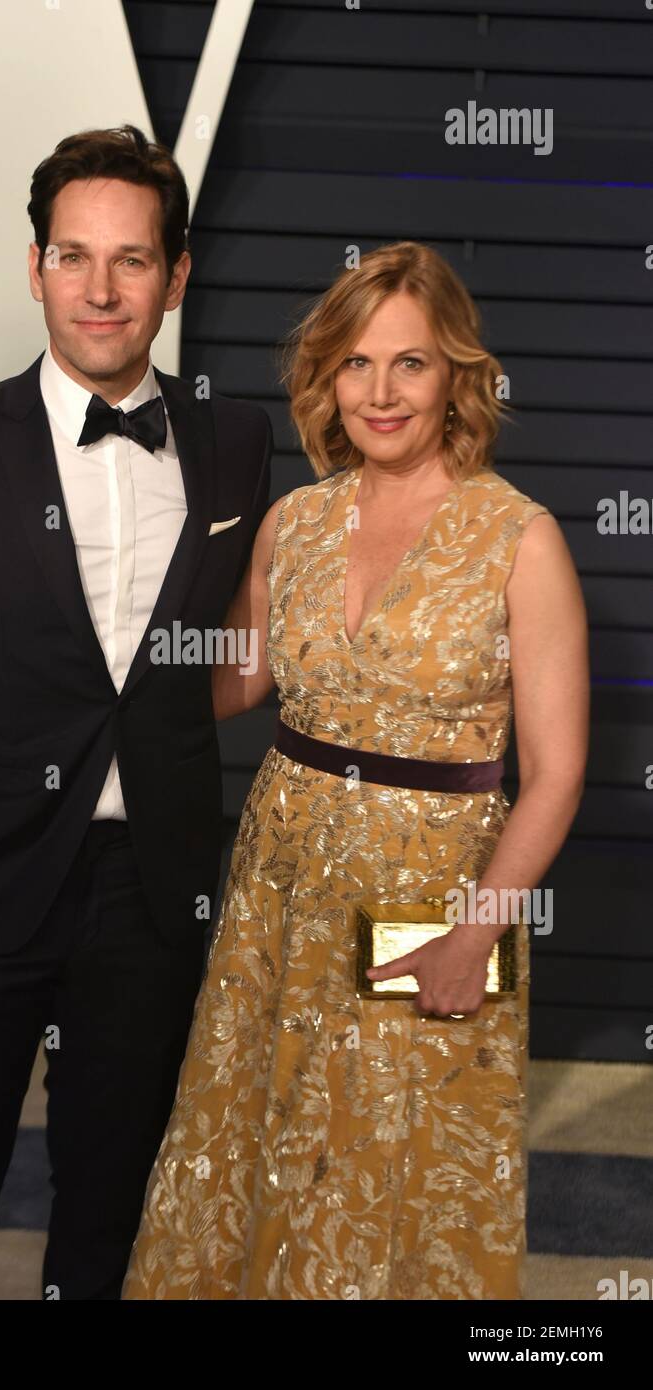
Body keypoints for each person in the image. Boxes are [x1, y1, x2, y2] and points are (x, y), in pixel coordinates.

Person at [0, 124, 272, 1300]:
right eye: (72, 256)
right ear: (33, 267)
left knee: (116, 1197)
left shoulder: (236, 445)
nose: (100, 288)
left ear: (176, 277)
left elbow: (237, 649)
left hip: (151, 886)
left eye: (131, 260)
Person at [122, 240, 588, 1300]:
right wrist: (80, 693)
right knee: (252, 1136)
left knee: (402, 1162)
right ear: (326, 377)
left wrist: (477, 933)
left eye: (410, 364)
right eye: (355, 363)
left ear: (456, 375)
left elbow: (554, 772)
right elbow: (232, 679)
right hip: (278, 889)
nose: (379, 392)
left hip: (437, 896)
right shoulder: (294, 519)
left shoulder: (519, 539)